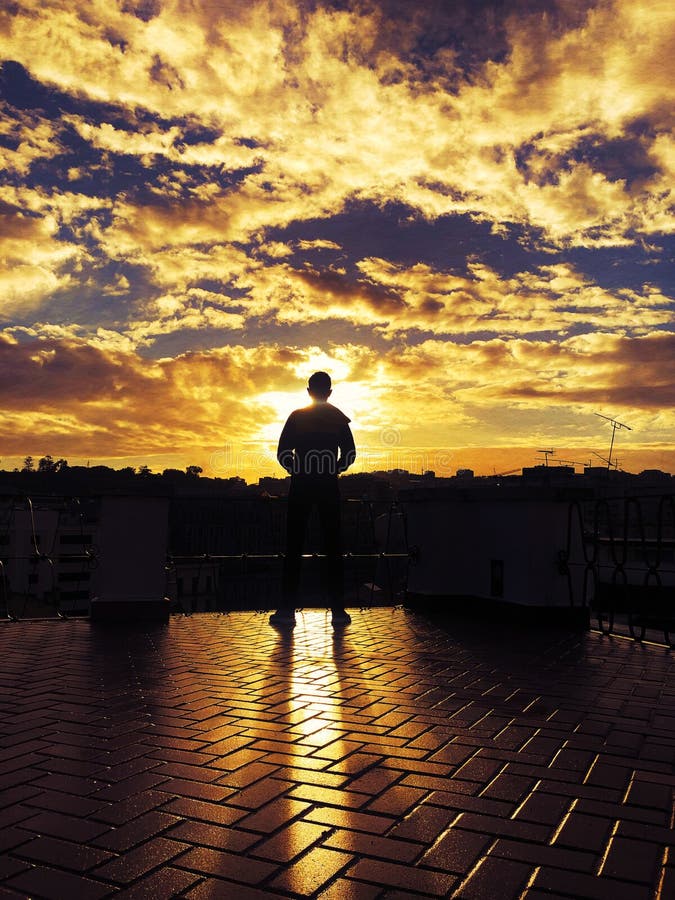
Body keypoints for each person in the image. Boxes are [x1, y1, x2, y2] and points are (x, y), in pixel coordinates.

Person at [271, 371, 356, 628]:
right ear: (329, 393)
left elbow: (282, 452)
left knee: (294, 547)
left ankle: (286, 610)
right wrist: (333, 468)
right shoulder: (338, 418)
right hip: (328, 487)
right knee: (333, 547)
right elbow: (350, 454)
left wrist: (297, 469)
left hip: (301, 486)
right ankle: (338, 611)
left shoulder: (297, 417)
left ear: (309, 391)